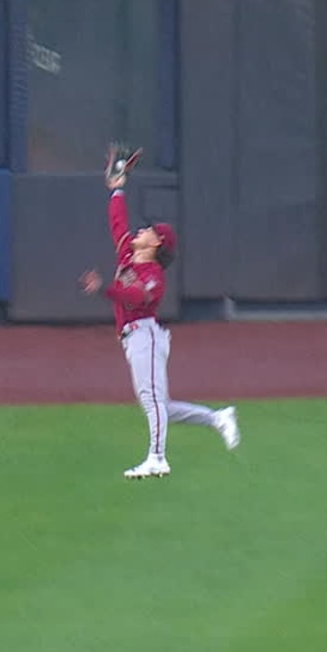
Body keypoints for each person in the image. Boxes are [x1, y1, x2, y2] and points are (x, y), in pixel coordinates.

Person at [80, 144, 240, 479]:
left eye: (149, 231)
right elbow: (118, 223)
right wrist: (117, 188)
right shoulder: (128, 254)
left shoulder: (154, 277)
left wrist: (104, 290)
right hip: (133, 339)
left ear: (156, 244)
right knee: (160, 405)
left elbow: (134, 297)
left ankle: (157, 457)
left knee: (152, 402)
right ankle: (218, 418)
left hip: (146, 337)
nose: (142, 231)